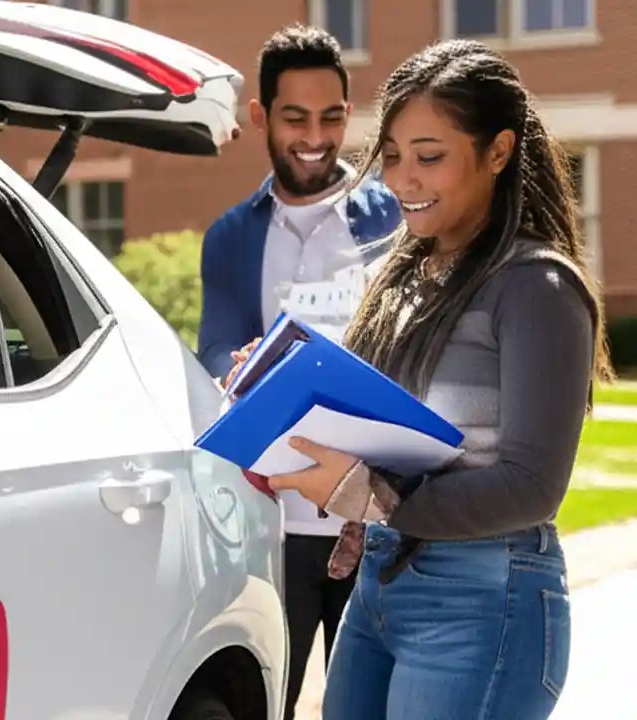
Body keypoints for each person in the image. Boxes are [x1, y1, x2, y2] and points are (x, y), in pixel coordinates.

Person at [264, 38, 614, 719]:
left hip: (485, 597)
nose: (401, 180)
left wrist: (370, 496)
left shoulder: (536, 287)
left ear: (498, 152)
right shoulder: (398, 276)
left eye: (429, 157)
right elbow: (375, 423)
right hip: (380, 583)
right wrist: (276, 386)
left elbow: (533, 487)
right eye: (391, 156)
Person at [195, 24, 401, 718]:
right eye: (294, 118)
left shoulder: (394, 220)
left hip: (376, 523)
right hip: (274, 523)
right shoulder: (231, 236)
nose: (315, 136)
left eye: (332, 116)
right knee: (267, 700)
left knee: (366, 707)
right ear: (259, 117)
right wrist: (238, 367)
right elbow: (216, 350)